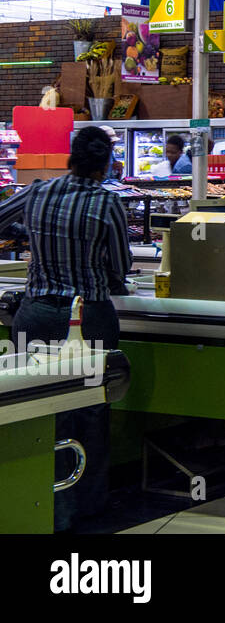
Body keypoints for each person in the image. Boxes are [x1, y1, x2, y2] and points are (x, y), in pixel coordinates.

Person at [13, 127, 130, 530]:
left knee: (36, 407)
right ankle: (88, 505)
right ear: (104, 165)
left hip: (37, 315)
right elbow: (120, 266)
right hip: (88, 318)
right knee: (90, 409)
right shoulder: (107, 203)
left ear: (70, 157)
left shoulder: (37, 192)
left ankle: (40, 501)